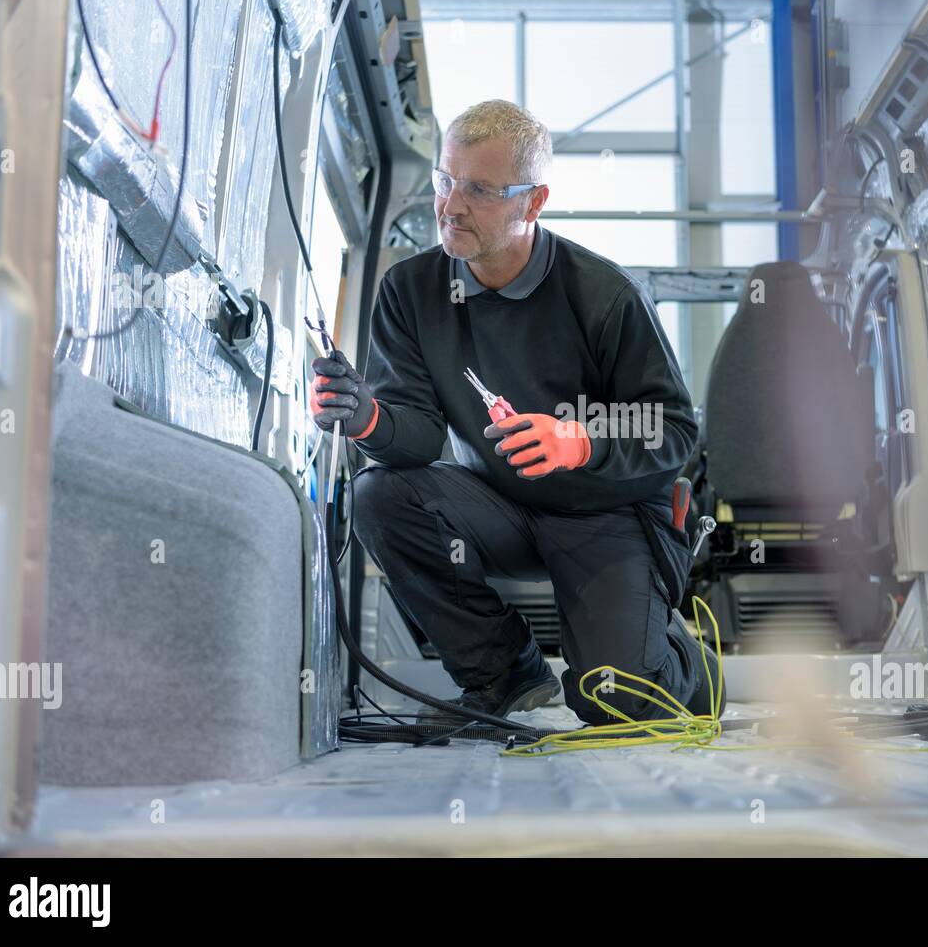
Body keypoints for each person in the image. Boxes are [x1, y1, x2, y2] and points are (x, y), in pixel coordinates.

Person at [309, 99, 723, 725]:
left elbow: (674, 429)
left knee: (618, 702)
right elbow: (416, 437)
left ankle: (690, 668)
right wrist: (367, 416)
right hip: (500, 505)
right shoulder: (410, 292)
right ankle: (504, 677)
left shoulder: (605, 296)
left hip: (603, 511)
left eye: (479, 189)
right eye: (446, 180)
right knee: (380, 495)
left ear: (533, 202)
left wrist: (580, 442)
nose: (450, 205)